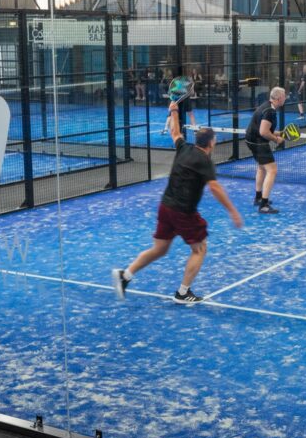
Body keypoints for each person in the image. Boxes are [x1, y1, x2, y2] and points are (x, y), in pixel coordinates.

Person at [112, 101, 243, 304]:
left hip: (165, 207)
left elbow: (175, 132)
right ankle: (183, 293)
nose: (215, 141)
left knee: (160, 249)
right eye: (215, 139)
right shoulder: (204, 161)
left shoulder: (184, 148)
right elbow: (215, 188)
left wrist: (173, 110)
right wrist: (233, 211)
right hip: (183, 212)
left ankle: (125, 276)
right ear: (211, 143)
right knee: (200, 249)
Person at [245, 87, 288, 214]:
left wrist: (278, 133)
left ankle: (258, 198)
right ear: (279, 99)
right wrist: (276, 139)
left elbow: (263, 128)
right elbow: (263, 132)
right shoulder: (270, 111)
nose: (285, 98)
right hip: (258, 142)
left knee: (262, 168)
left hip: (251, 140)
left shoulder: (266, 105)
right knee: (272, 170)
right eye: (284, 96)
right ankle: (263, 205)